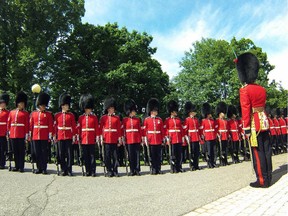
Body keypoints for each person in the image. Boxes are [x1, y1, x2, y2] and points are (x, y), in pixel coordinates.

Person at [235, 52, 271, 188]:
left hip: (254, 124)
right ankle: (269, 176)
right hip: (264, 121)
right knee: (266, 150)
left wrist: (247, 129)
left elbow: (245, 111)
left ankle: (262, 180)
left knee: (257, 152)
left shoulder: (245, 90)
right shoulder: (261, 89)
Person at [30, 92, 53, 174]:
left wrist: (50, 135)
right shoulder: (34, 114)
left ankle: (44, 168)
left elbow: (50, 125)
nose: (44, 107)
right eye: (42, 105)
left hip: (44, 136)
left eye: (44, 105)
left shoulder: (48, 114)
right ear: (39, 105)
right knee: (37, 153)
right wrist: (30, 135)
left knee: (44, 152)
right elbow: (31, 125)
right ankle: (39, 168)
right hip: (36, 136)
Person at [54, 93, 76, 176]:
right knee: (61, 154)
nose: (68, 107)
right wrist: (54, 135)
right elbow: (55, 126)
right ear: (62, 106)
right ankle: (63, 169)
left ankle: (69, 169)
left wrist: (74, 136)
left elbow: (73, 127)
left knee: (69, 154)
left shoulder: (71, 115)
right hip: (60, 136)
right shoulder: (57, 115)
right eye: (66, 105)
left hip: (68, 136)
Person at [7, 91, 29, 172]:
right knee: (15, 151)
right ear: (17, 103)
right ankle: (16, 166)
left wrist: (27, 135)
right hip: (13, 134)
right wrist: (8, 132)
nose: (22, 105)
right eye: (21, 103)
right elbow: (9, 124)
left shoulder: (25, 113)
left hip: (21, 134)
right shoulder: (12, 112)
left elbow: (27, 125)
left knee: (21, 151)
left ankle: (21, 166)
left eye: (23, 103)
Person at [78, 94, 99, 177]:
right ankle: (87, 171)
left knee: (92, 156)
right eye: (87, 108)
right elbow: (79, 128)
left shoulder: (94, 117)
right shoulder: (81, 118)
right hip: (83, 139)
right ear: (84, 108)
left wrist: (97, 137)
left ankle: (93, 171)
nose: (89, 110)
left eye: (90, 108)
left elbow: (96, 128)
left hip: (91, 139)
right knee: (86, 156)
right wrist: (78, 137)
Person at [100, 97, 122, 177]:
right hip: (106, 139)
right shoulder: (103, 118)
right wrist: (101, 138)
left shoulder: (117, 118)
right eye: (110, 108)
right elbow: (101, 129)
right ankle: (109, 170)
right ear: (107, 109)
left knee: (115, 156)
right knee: (107, 156)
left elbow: (119, 130)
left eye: (112, 108)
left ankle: (115, 170)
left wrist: (119, 139)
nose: (111, 110)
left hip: (114, 139)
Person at [142, 98, 164, 175]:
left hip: (158, 139)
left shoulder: (159, 120)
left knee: (158, 155)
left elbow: (162, 130)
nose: (156, 112)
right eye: (155, 110)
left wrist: (162, 139)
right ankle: (153, 168)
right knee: (152, 155)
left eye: (156, 110)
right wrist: (145, 139)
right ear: (151, 111)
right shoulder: (147, 120)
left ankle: (158, 168)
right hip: (151, 139)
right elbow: (145, 130)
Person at [122, 99, 142, 176]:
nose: (135, 112)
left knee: (137, 155)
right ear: (130, 111)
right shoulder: (125, 120)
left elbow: (139, 130)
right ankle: (132, 170)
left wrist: (140, 138)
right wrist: (123, 138)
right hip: (129, 139)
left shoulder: (137, 119)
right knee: (130, 155)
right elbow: (123, 129)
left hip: (136, 139)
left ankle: (137, 170)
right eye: (133, 111)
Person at [164, 100, 183, 173]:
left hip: (178, 138)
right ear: (171, 112)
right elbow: (166, 129)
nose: (176, 113)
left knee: (179, 154)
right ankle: (173, 168)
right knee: (173, 155)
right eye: (175, 111)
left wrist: (182, 137)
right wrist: (167, 138)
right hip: (172, 139)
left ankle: (179, 167)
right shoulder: (167, 120)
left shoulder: (178, 120)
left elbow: (181, 129)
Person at [183, 101, 201, 170]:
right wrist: (186, 137)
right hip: (191, 137)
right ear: (190, 113)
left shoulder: (196, 120)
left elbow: (198, 129)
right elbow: (185, 129)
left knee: (197, 152)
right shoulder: (187, 120)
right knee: (192, 152)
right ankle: (192, 165)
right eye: (193, 112)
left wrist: (199, 137)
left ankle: (196, 165)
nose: (194, 113)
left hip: (196, 137)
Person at [199, 102, 216, 168]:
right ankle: (209, 163)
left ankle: (213, 162)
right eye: (209, 114)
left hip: (213, 137)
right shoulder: (204, 121)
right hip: (208, 137)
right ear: (207, 114)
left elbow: (214, 129)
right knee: (209, 151)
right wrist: (203, 136)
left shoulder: (212, 121)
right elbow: (201, 129)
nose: (210, 115)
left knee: (213, 151)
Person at [215, 102, 229, 166]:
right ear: (220, 113)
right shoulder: (217, 121)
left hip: (225, 136)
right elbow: (216, 129)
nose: (224, 114)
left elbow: (227, 128)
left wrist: (228, 134)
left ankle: (225, 160)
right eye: (223, 113)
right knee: (220, 149)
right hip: (221, 136)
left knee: (225, 149)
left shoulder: (225, 120)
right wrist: (218, 135)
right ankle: (221, 161)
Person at [0, 92, 10, 169]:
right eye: (1, 103)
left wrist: (7, 132)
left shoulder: (8, 112)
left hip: (3, 133)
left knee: (2, 149)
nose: (3, 104)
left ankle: (2, 163)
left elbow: (8, 123)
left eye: (4, 103)